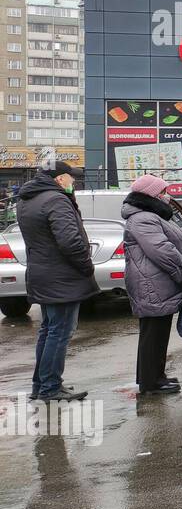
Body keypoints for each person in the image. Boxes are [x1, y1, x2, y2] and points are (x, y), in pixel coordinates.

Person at [15, 159, 96, 401]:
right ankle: (50, 387)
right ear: (59, 179)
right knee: (60, 332)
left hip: (42, 273)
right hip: (61, 276)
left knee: (48, 330)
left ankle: (41, 385)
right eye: (71, 177)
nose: (74, 181)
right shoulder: (56, 200)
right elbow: (70, 241)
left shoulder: (27, 199)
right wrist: (86, 266)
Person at [122, 174, 182, 395]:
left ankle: (155, 376)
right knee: (153, 334)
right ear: (151, 195)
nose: (168, 195)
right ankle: (150, 383)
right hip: (151, 282)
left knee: (158, 332)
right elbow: (162, 250)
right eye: (163, 192)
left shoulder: (151, 216)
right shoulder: (144, 218)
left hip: (157, 280)